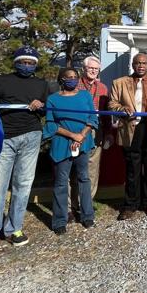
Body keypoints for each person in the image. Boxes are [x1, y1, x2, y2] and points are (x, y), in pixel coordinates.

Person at [0, 46, 48, 259]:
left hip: (31, 137)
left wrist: (40, 105)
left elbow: (44, 110)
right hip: (5, 137)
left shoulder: (42, 84)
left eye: (31, 63)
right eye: (23, 62)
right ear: (16, 62)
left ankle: (14, 228)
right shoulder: (2, 80)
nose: (27, 65)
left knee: (23, 185)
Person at [108, 53, 147, 220]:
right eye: (138, 63)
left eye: (144, 63)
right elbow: (112, 103)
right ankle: (130, 205)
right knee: (132, 169)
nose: (141, 66)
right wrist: (121, 108)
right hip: (130, 129)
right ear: (133, 65)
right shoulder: (119, 83)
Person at [44, 68, 99, 234]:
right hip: (62, 144)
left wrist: (82, 135)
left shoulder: (85, 96)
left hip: (83, 142)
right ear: (61, 79)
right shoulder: (53, 99)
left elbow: (92, 118)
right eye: (69, 77)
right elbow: (51, 124)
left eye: (75, 77)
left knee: (84, 178)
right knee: (61, 182)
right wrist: (72, 135)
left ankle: (87, 215)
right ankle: (60, 220)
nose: (72, 79)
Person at [68, 56, 111, 223]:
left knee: (92, 169)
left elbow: (106, 113)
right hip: (76, 130)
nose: (93, 71)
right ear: (84, 69)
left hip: (96, 131)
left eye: (96, 69)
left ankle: (86, 204)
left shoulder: (103, 87)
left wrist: (108, 132)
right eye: (90, 68)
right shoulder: (74, 85)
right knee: (74, 169)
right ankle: (70, 207)